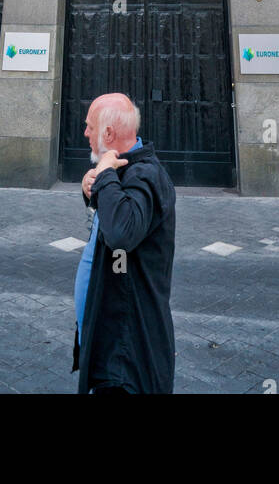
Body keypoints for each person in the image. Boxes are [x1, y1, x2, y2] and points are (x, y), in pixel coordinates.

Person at [72, 92, 176, 394]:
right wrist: (92, 188)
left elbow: (122, 232)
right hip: (111, 340)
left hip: (126, 357)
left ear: (107, 133)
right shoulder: (124, 170)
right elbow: (113, 213)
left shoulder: (144, 176)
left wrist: (104, 175)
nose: (85, 133)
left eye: (90, 126)